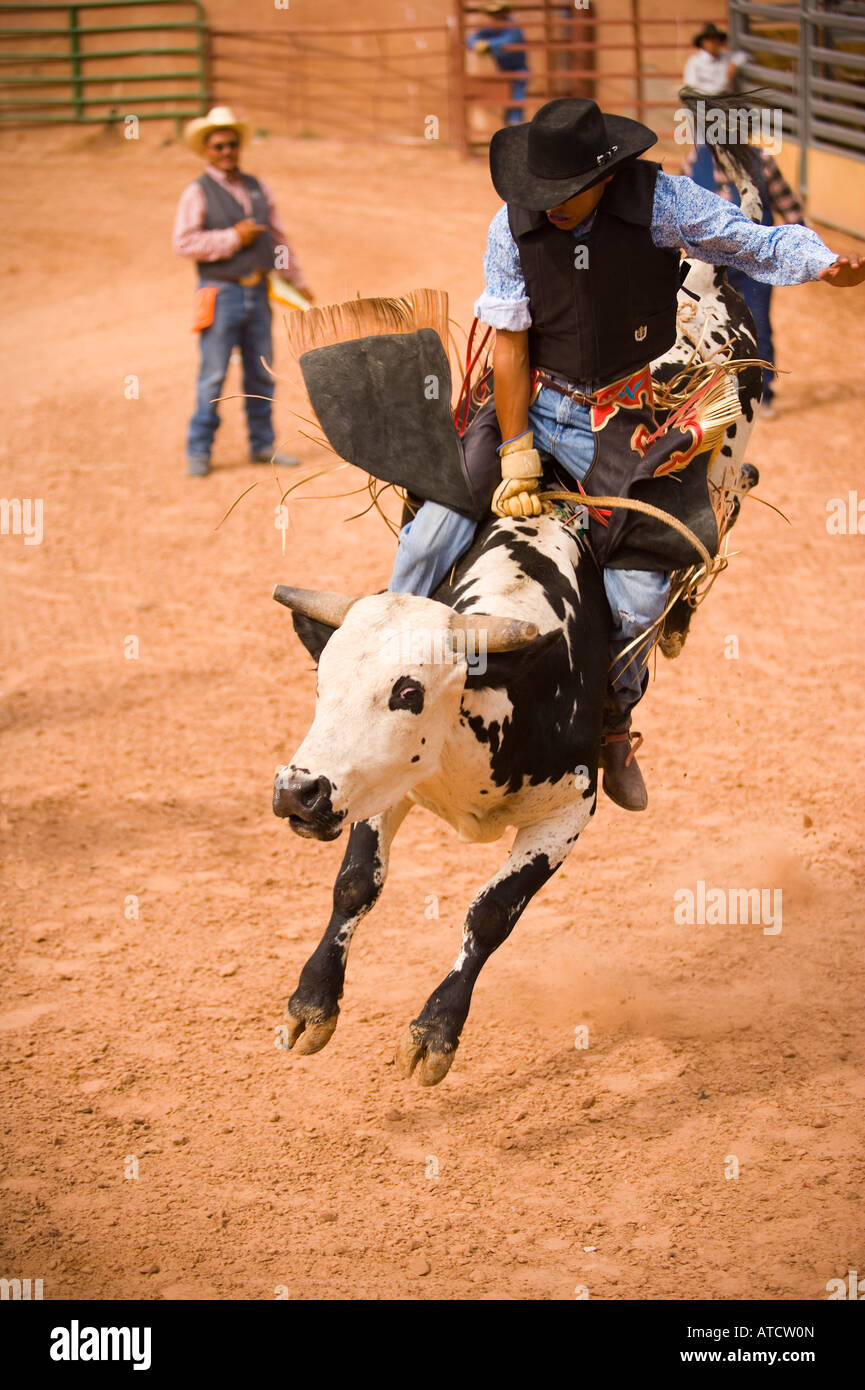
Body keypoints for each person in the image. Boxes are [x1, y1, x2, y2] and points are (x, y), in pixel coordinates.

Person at [387, 98, 864, 811]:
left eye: (559, 194)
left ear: (603, 177)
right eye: (535, 192)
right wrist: (516, 448)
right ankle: (380, 674)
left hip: (625, 415)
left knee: (638, 600)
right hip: (528, 399)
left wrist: (820, 262)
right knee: (424, 540)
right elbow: (510, 341)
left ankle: (611, 720)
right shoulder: (509, 222)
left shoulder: (662, 203)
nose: (543, 206)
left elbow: (746, 241)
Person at [173, 106, 313, 477]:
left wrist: (295, 278)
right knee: (214, 374)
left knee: (261, 372)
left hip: (258, 291)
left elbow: (277, 236)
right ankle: (199, 450)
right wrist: (233, 237)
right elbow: (184, 243)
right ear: (206, 149)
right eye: (218, 146)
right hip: (219, 292)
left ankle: (263, 444)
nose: (226, 152)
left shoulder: (257, 187)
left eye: (231, 145)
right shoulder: (196, 192)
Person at [684, 145, 807, 417]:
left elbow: (788, 205)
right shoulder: (696, 159)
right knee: (710, 327)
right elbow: (684, 208)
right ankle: (714, 392)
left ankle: (762, 393)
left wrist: (804, 248)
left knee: (757, 322)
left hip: (756, 262)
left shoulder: (761, 159)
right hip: (712, 263)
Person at [683, 22, 749, 191]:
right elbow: (690, 89)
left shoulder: (726, 59)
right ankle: (707, 186)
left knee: (727, 146)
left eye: (715, 40)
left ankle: (726, 185)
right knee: (704, 148)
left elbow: (743, 57)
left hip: (724, 107)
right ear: (703, 42)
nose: (713, 44)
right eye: (709, 40)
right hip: (704, 106)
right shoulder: (695, 63)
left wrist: (734, 66)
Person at [466, 2, 527, 126]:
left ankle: (515, 125)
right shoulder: (491, 29)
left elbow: (509, 40)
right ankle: (509, 127)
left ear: (505, 13)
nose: (495, 17)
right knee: (506, 100)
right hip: (503, 72)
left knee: (516, 100)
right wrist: (476, 44)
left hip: (518, 70)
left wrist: (487, 44)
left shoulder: (513, 28)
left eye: (498, 13)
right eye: (493, 14)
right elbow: (471, 40)